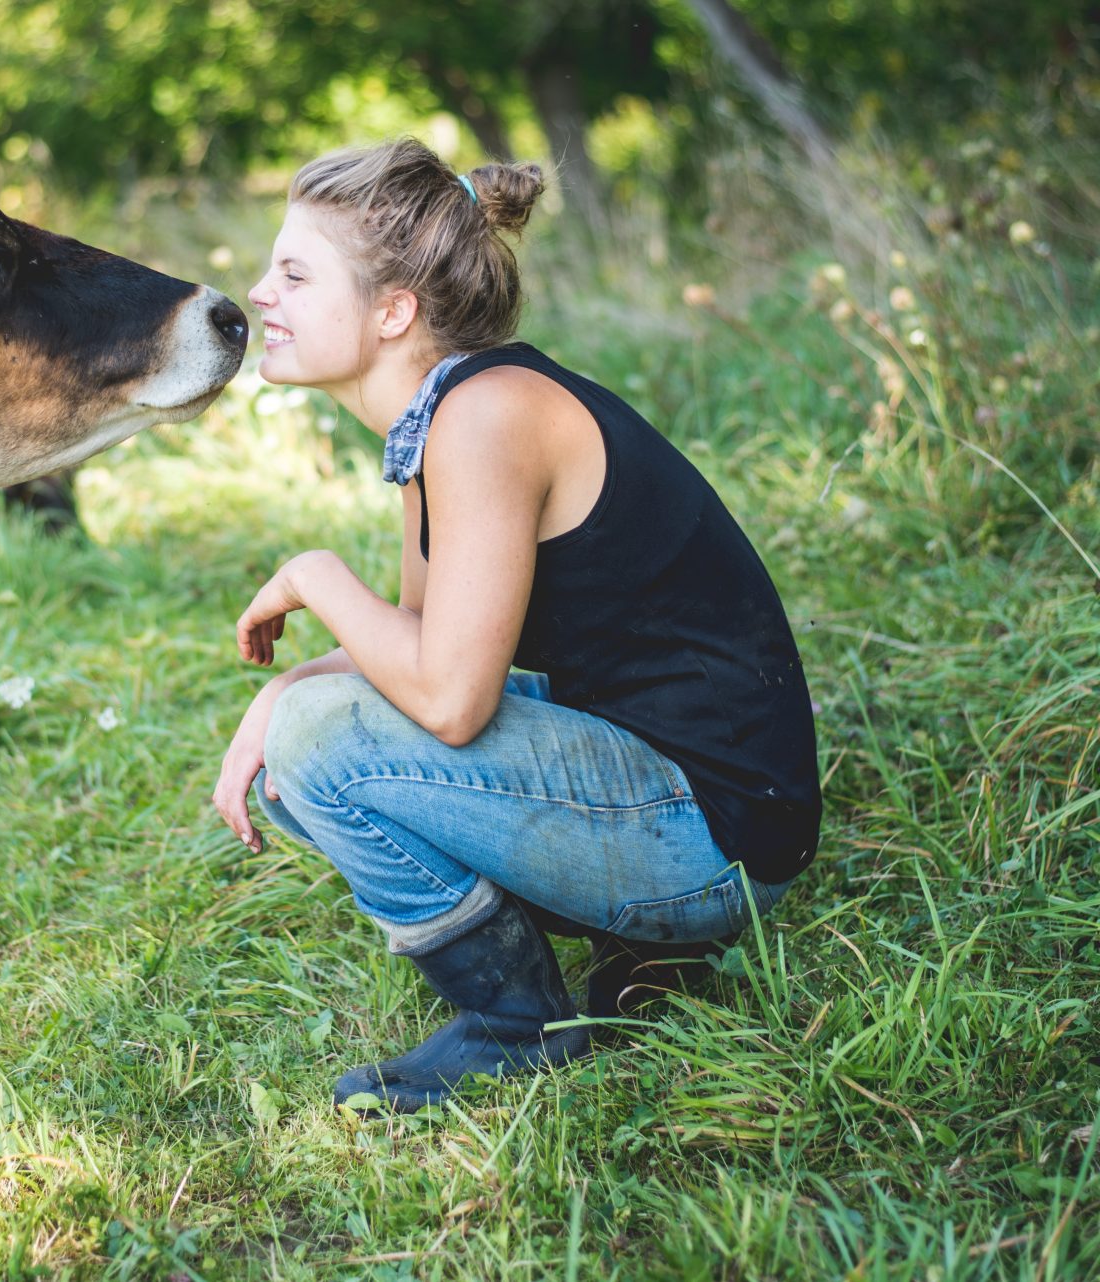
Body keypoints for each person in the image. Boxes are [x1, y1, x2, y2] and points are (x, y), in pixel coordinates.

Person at [210, 140, 821, 1113]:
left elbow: (448, 703)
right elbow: (415, 639)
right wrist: (285, 688)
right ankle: (651, 950)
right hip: (663, 788)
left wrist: (315, 575)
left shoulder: (486, 417)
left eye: (292, 272)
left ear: (392, 311)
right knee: (305, 732)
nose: (260, 293)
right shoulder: (438, 421)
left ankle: (517, 1023)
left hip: (716, 830)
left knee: (322, 744)